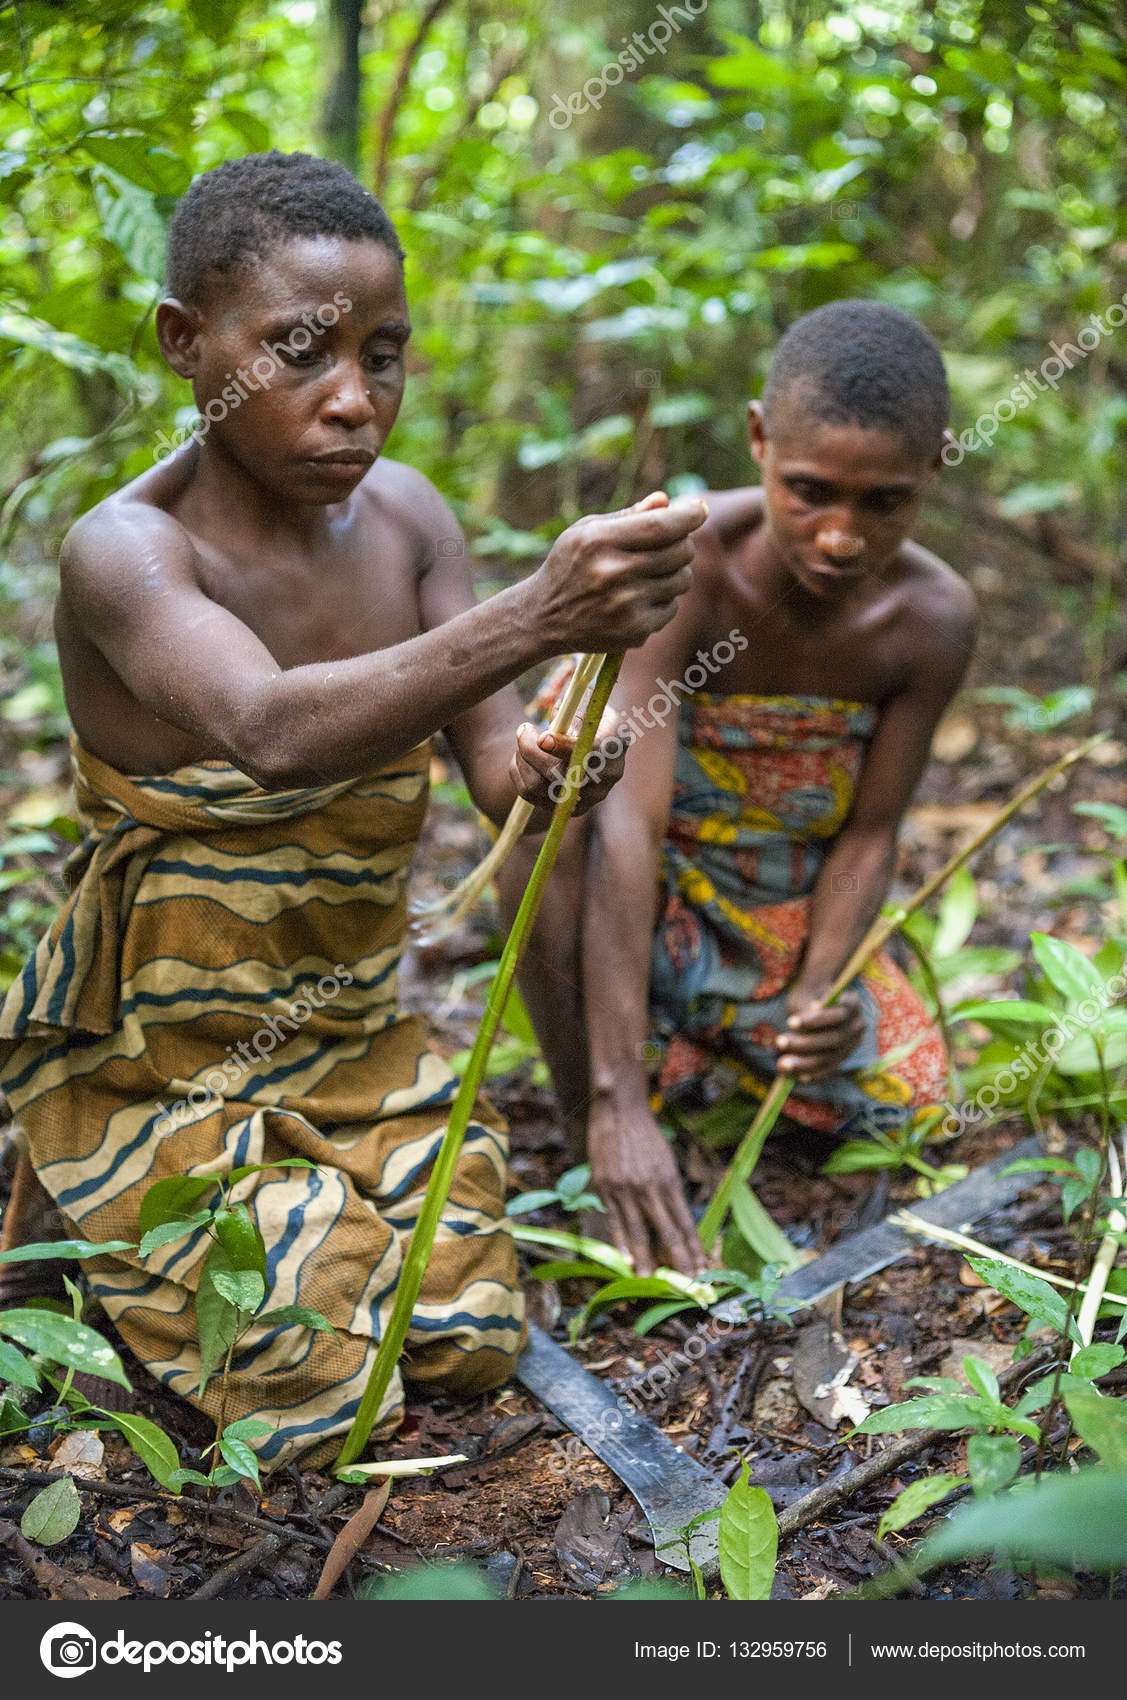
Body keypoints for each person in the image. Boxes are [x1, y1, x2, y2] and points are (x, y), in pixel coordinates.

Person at [0, 150, 706, 1465]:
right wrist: (538, 612)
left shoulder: (410, 524)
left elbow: (502, 774)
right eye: (298, 352)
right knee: (320, 1406)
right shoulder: (127, 552)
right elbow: (271, 735)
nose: (350, 402)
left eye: (380, 357)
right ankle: (92, 1201)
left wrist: (572, 752)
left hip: (351, 1038)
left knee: (468, 1336)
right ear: (180, 340)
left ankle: (285, 1203)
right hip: (170, 1062)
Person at [499, 300, 976, 1278]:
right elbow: (623, 825)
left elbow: (869, 828)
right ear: (758, 439)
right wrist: (615, 1102)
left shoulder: (931, 621)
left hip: (773, 898)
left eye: (879, 502)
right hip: (641, 873)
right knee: (548, 821)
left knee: (912, 1097)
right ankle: (595, 1096)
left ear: (934, 467)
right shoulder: (683, 558)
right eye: (809, 492)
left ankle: (686, 1057)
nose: (839, 537)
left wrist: (820, 985)